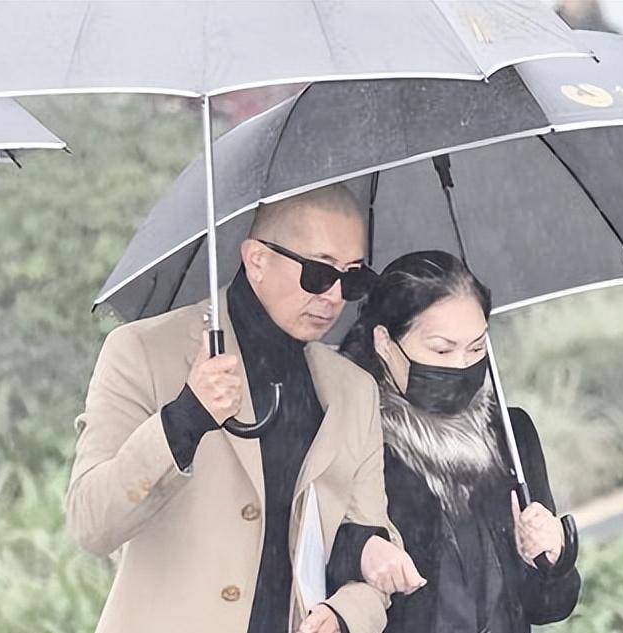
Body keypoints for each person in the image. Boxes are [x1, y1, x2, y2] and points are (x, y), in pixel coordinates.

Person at [66, 185, 424, 633]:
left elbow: (371, 541)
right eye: (318, 273)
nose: (334, 296)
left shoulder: (353, 391)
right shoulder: (144, 351)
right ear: (256, 260)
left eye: (353, 279)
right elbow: (92, 523)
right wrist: (185, 417)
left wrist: (344, 614)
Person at [339, 251, 581, 633]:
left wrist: (552, 558)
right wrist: (361, 551)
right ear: (384, 342)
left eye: (477, 347)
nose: (461, 365)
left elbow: (547, 607)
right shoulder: (357, 446)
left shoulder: (510, 435)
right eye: (441, 349)